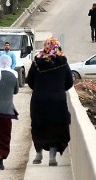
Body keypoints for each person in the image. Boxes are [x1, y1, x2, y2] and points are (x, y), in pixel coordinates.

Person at [26, 37, 74, 166]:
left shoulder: (37, 63)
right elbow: (69, 82)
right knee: (55, 127)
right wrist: (57, 90)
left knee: (38, 126)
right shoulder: (63, 63)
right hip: (57, 101)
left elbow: (29, 81)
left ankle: (38, 154)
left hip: (39, 100)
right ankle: (52, 156)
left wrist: (40, 89)